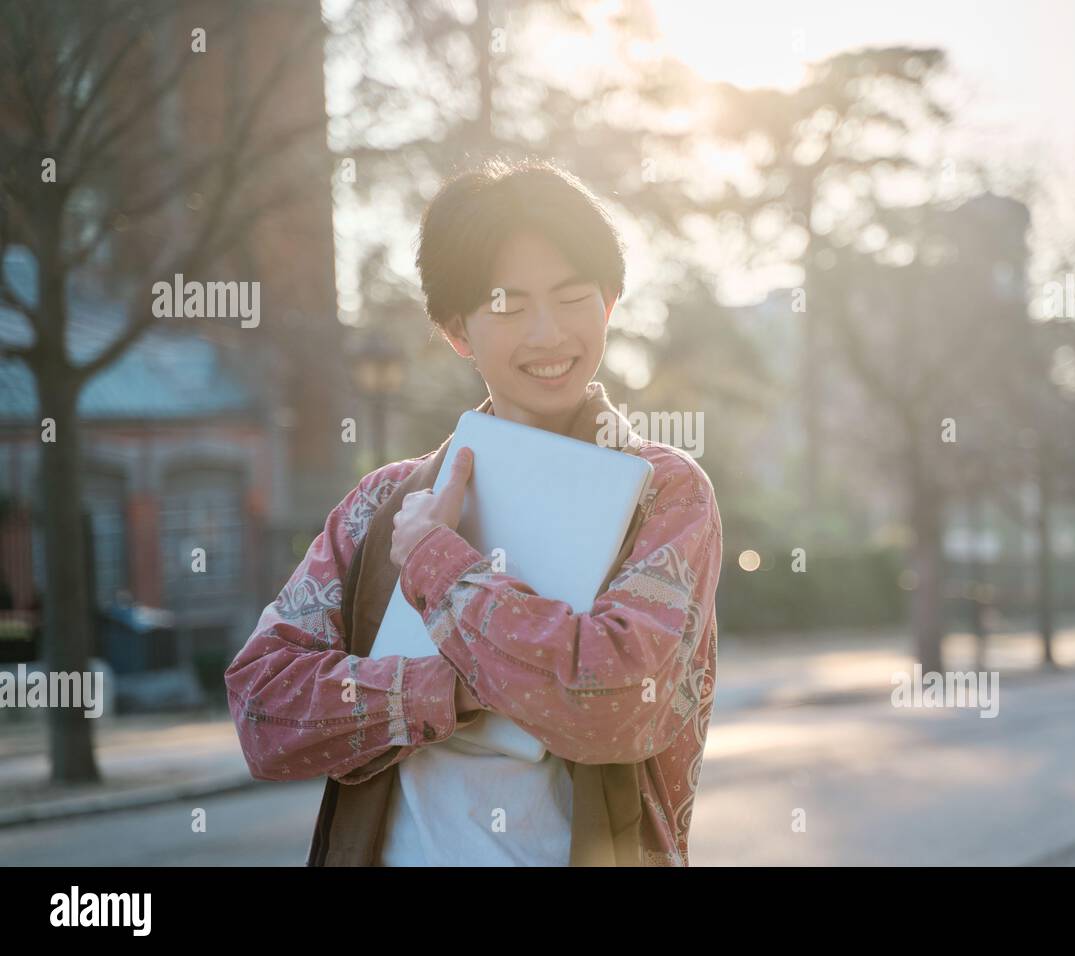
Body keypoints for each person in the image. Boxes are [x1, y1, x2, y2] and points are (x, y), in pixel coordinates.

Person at [225, 155, 723, 866]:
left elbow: (618, 701)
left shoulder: (664, 491)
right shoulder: (381, 503)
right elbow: (261, 712)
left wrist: (438, 564)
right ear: (458, 330)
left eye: (573, 295)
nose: (548, 333)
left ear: (610, 303)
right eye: (508, 305)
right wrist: (454, 690)